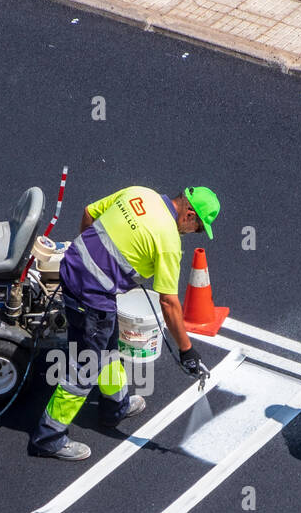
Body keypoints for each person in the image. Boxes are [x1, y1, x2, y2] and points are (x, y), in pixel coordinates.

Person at [29, 185, 220, 460]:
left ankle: (115, 407)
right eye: (199, 228)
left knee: (108, 348)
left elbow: (89, 212)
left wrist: (89, 262)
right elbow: (169, 302)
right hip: (92, 299)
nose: (193, 234)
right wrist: (186, 350)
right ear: (190, 214)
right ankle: (48, 437)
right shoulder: (168, 241)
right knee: (83, 371)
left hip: (71, 270)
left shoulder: (139, 193)